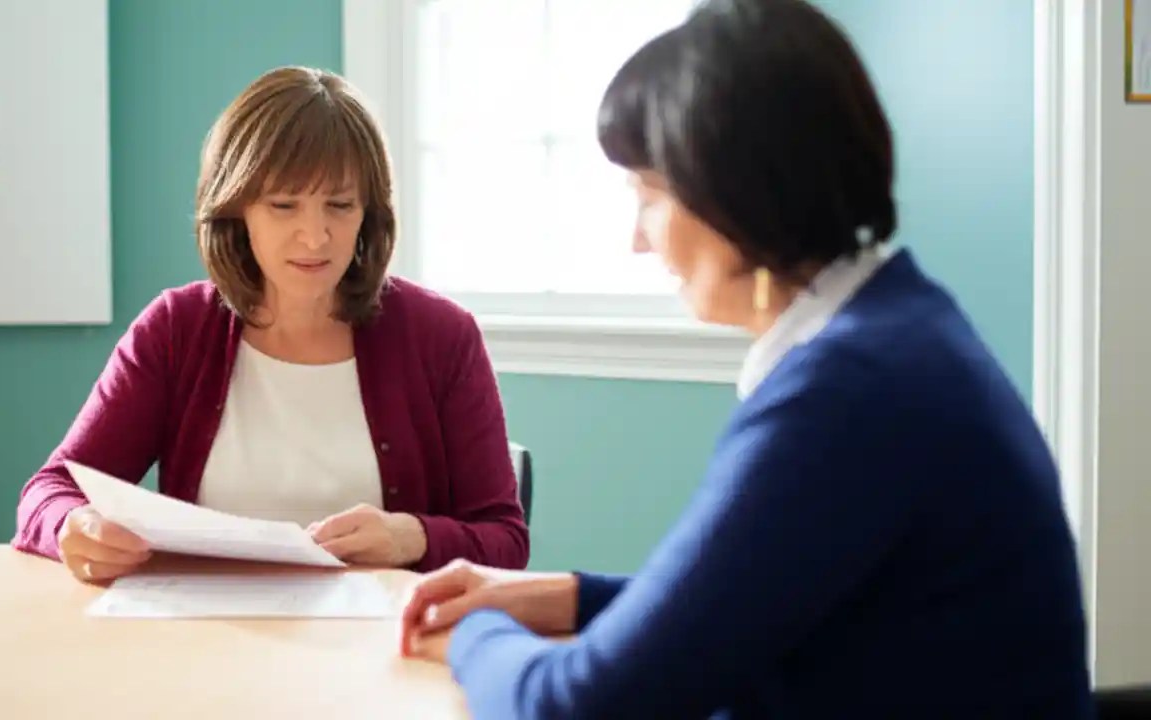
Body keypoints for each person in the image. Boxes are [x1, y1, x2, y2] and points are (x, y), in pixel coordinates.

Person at [398, 1, 1093, 718]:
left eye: (649, 196)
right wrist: (566, 598)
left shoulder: (846, 395)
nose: (640, 241)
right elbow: (749, 598)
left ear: (735, 190)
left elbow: (577, 706)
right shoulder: (902, 329)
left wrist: (475, 631)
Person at [12, 67, 528, 581]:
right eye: (284, 206)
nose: (315, 237)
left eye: (340, 205)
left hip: (382, 647)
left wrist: (410, 537)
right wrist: (74, 525)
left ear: (368, 213)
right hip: (211, 638)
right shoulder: (176, 330)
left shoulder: (442, 336)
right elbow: (50, 490)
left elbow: (504, 539)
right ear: (238, 209)